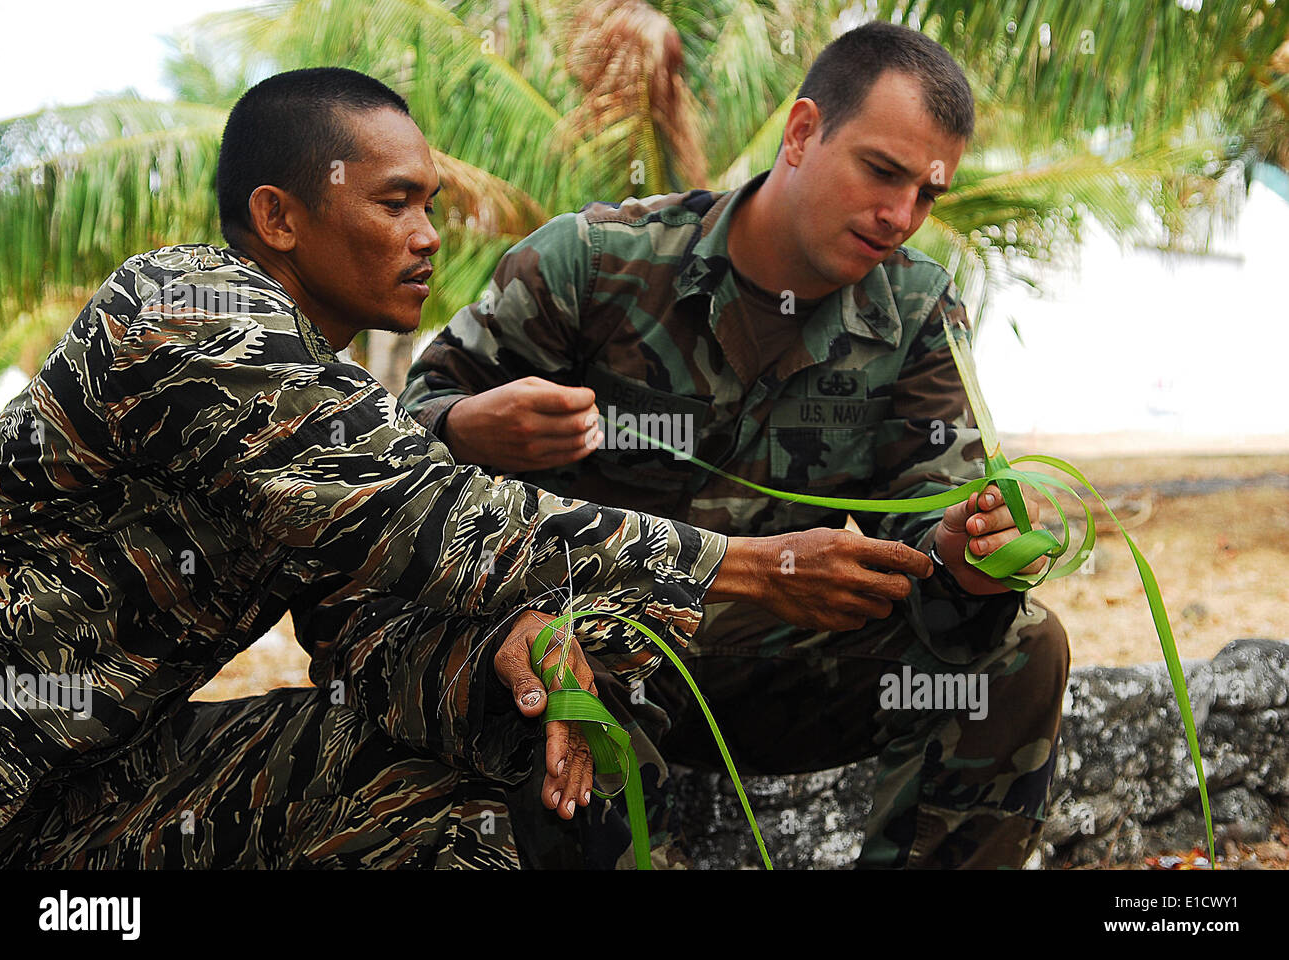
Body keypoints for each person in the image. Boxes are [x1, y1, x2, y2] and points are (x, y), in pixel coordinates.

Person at [0, 67, 890, 868]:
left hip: (86, 800)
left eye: (430, 204)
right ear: (277, 217)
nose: (427, 236)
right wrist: (745, 565)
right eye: (394, 204)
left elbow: (365, 633)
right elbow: (420, 512)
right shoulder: (185, 309)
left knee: (449, 765)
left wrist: (510, 650)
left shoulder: (341, 404)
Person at [399, 23, 1072, 868]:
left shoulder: (916, 313)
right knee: (548, 687)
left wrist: (965, 556)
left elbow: (934, 520)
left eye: (928, 195)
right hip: (603, 649)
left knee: (1022, 647)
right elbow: (395, 443)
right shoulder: (595, 263)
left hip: (785, 670)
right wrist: (467, 425)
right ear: (801, 134)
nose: (901, 217)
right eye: (881, 171)